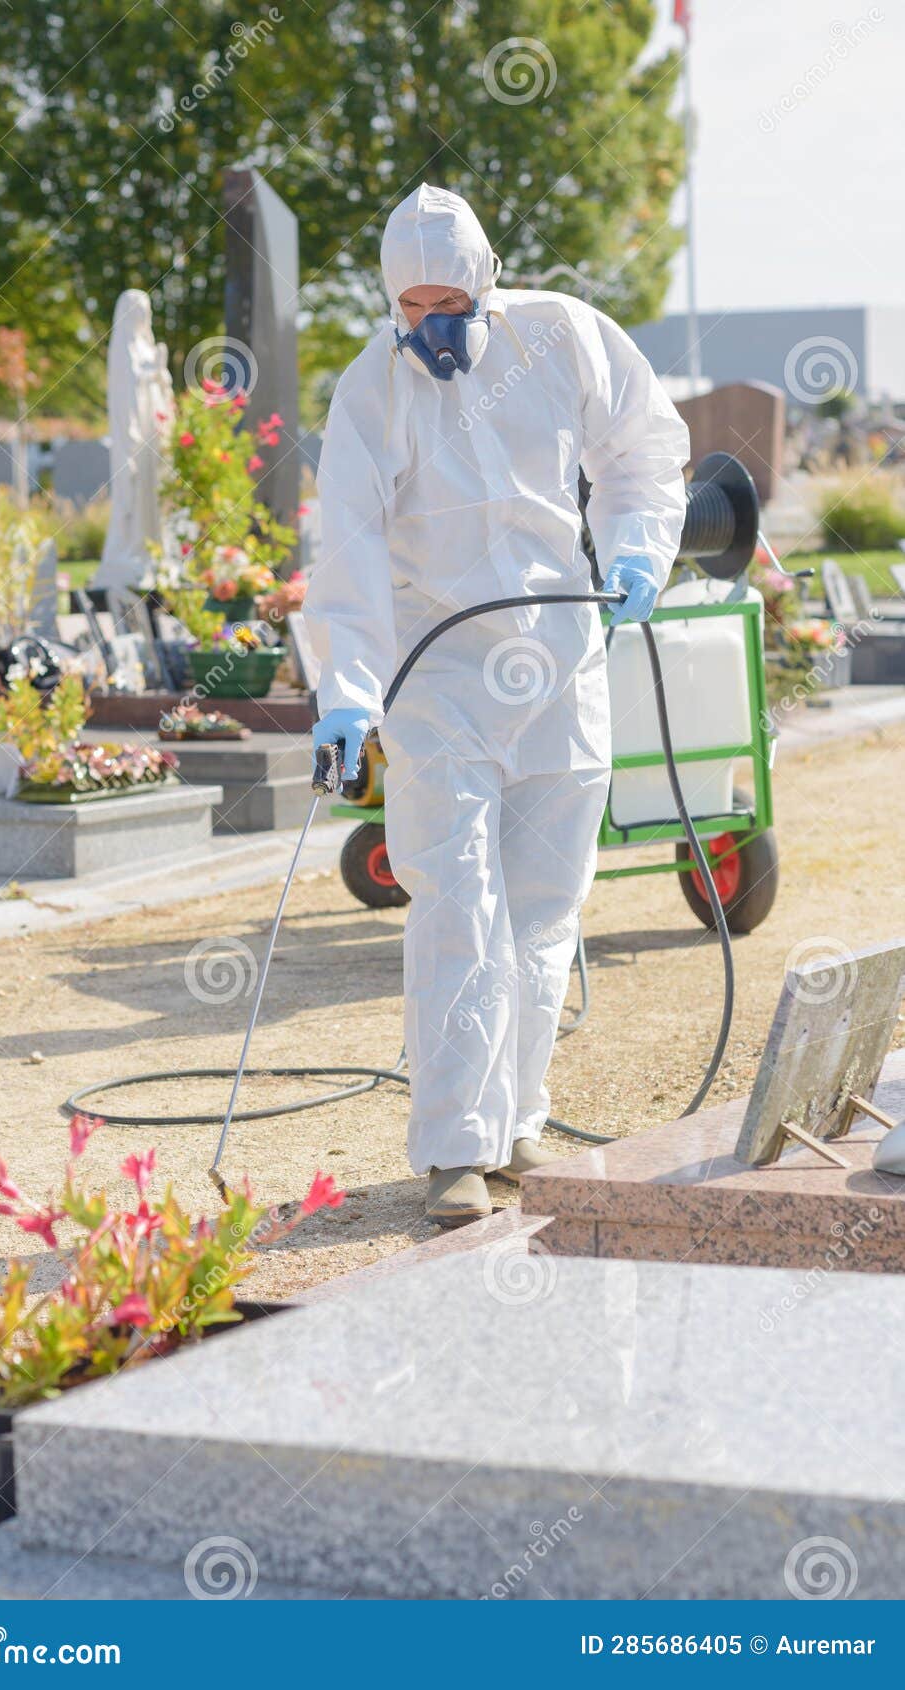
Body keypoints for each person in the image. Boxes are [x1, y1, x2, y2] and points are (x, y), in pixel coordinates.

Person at [303, 184, 690, 1227]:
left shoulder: (560, 337)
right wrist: (344, 691)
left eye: (453, 301)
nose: (438, 326)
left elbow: (645, 450)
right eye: (415, 307)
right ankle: (455, 1150)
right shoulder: (369, 393)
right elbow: (347, 543)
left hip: (561, 663)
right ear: (392, 304)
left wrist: (641, 553)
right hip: (439, 683)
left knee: (546, 910)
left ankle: (520, 1117)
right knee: (456, 906)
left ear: (485, 282)